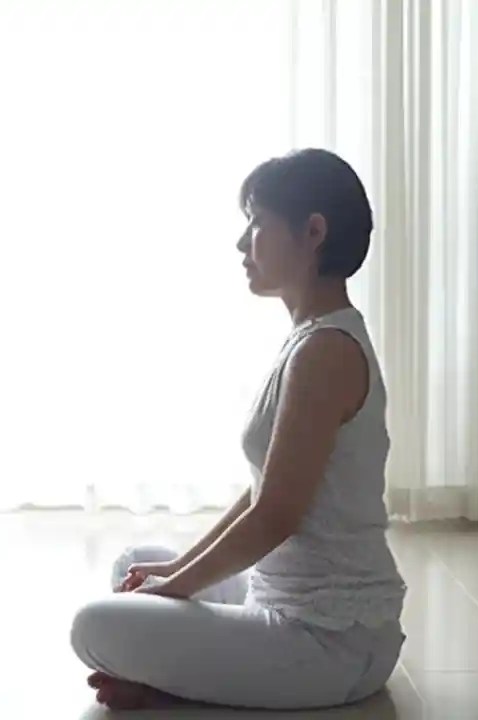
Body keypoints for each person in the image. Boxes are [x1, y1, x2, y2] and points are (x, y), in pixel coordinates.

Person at [69, 148, 407, 711]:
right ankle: (173, 671)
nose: (242, 242)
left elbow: (275, 516)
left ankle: (167, 676)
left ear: (313, 232)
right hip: (278, 601)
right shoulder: (310, 339)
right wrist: (172, 572)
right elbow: (264, 492)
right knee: (134, 565)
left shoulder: (325, 352)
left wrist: (173, 590)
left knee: (93, 626)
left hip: (330, 643)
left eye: (257, 223)